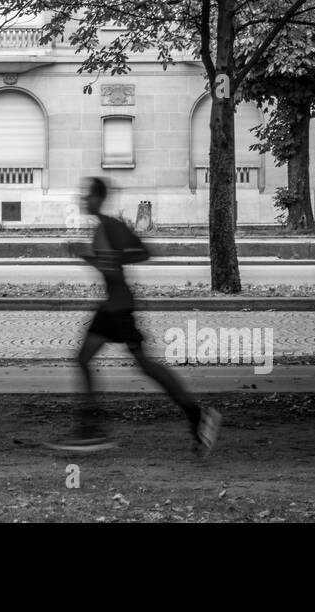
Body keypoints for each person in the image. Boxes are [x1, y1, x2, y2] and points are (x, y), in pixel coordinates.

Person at [49, 177, 220, 453]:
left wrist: (99, 259)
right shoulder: (103, 227)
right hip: (111, 307)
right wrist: (92, 258)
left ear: (99, 198)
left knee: (142, 365)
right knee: (87, 359)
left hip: (118, 308)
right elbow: (120, 260)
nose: (83, 200)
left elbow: (139, 254)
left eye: (88, 195)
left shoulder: (111, 226)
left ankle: (194, 414)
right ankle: (94, 428)